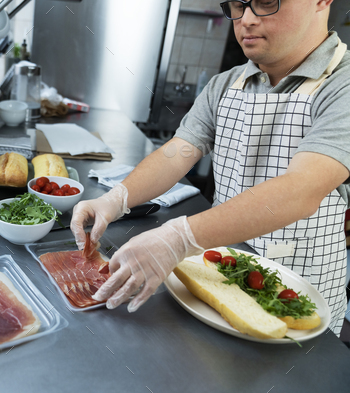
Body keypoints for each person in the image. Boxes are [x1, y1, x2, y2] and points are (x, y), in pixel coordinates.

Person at [71, 0, 350, 335]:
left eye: (264, 2)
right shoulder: (226, 84)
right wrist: (115, 199)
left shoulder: (342, 85)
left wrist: (178, 237)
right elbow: (177, 152)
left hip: (301, 298)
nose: (245, 20)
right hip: (221, 275)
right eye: (237, 5)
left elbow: (302, 189)